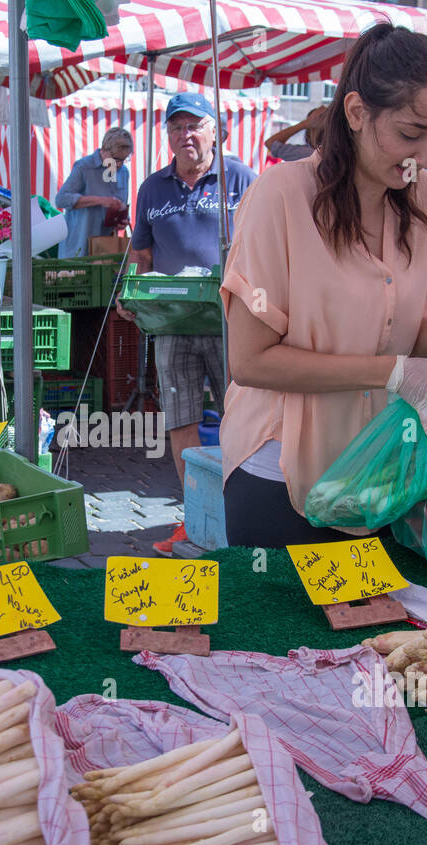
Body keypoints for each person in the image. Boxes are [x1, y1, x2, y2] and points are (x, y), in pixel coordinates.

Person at [219, 23, 427, 549]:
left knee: (377, 630)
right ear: (355, 113)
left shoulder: (423, 198)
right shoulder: (281, 195)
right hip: (282, 470)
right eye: (412, 134)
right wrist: (396, 375)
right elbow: (250, 361)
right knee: (282, 630)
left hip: (381, 466)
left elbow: (405, 340)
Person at [117, 91, 257, 555]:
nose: (185, 135)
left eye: (194, 125)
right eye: (176, 127)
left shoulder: (241, 180)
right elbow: (140, 253)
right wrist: (130, 291)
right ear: (168, 136)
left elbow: (267, 247)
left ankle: (244, 512)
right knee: (181, 419)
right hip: (173, 322)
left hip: (232, 322)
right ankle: (195, 515)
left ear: (215, 130)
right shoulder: (152, 188)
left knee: (243, 413)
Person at [54, 128, 133, 258]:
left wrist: (123, 221)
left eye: (123, 160)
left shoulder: (123, 172)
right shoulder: (84, 167)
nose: (118, 165)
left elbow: (121, 205)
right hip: (77, 250)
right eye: (115, 159)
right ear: (104, 150)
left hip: (105, 251)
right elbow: (61, 199)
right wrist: (101, 200)